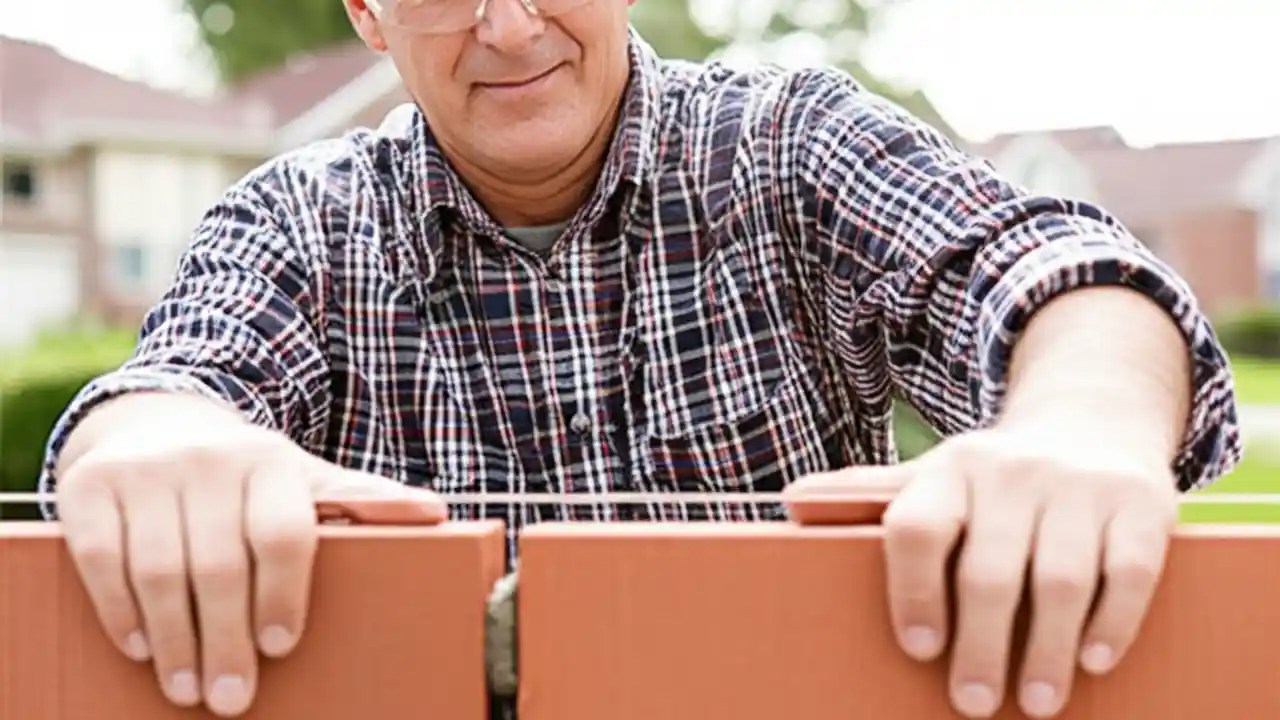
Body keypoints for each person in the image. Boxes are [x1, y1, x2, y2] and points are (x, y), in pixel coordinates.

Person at [36, 0, 1240, 718]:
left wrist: (1076, 427)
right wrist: (152, 441)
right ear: (365, 12)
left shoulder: (787, 145)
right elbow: (168, 391)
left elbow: (1057, 274)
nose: (506, 26)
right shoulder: (297, 219)